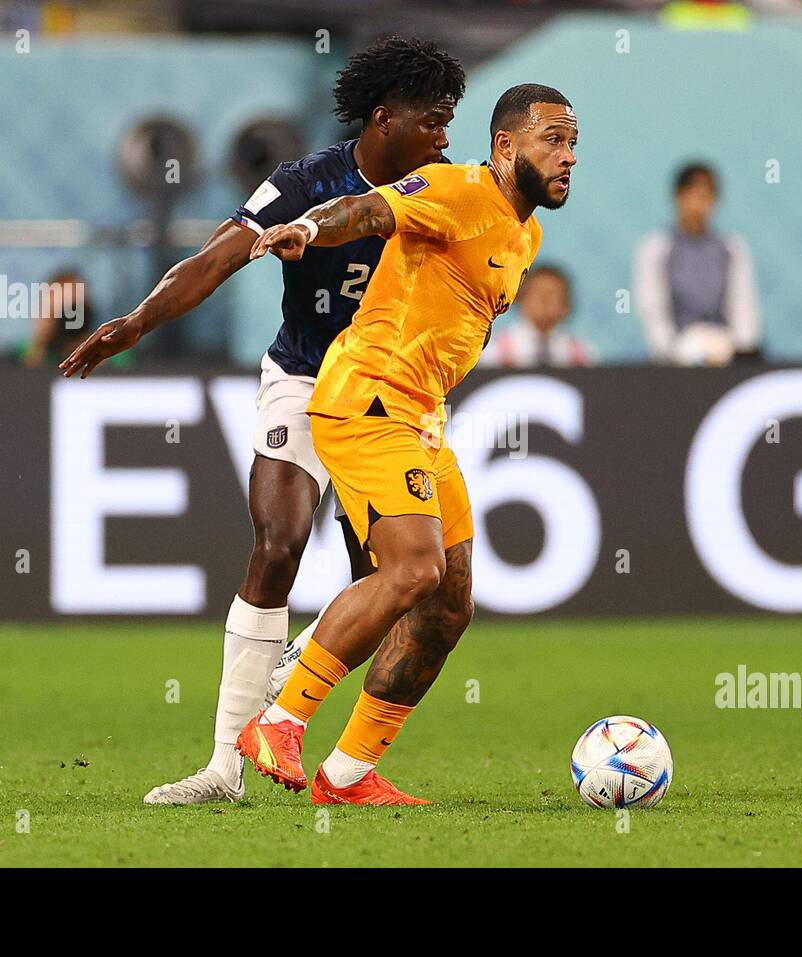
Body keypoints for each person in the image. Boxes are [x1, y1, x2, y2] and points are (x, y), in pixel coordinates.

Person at [59, 37, 467, 806]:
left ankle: (306, 675)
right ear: (386, 117)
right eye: (435, 121)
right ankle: (223, 769)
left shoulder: (438, 189)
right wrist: (136, 323)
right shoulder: (305, 183)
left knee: (392, 583)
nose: (446, 137)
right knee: (277, 544)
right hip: (305, 381)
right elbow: (215, 259)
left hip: (386, 398)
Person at [240, 82, 577, 805]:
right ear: (505, 146)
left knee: (449, 602)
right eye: (554, 139)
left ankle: (348, 772)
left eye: (573, 143)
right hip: (368, 397)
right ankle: (279, 718)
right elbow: (369, 208)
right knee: (413, 569)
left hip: (423, 415)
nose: (568, 156)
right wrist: (310, 228)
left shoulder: (526, 234)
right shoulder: (455, 189)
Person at [633, 162, 760, 365]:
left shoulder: (732, 248)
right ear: (678, 196)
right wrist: (674, 352)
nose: (700, 204)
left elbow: (743, 303)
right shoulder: (657, 248)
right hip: (675, 359)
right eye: (694, 194)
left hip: (727, 355)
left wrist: (740, 350)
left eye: (707, 195)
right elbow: (652, 307)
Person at [485, 264, 594, 368]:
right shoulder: (495, 350)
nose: (544, 301)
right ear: (520, 298)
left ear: (566, 304)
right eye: (538, 293)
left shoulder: (580, 354)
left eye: (552, 295)